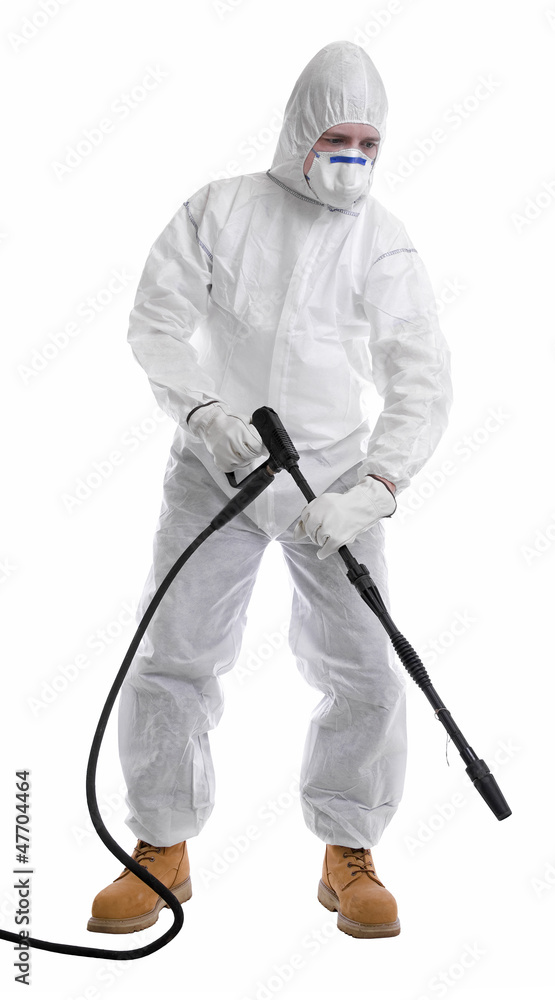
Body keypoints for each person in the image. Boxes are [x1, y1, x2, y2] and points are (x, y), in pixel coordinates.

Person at [87, 40, 452, 940]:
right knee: (175, 652)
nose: (354, 157)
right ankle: (160, 844)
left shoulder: (381, 237)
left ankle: (348, 852)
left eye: (370, 142)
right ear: (300, 130)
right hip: (218, 470)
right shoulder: (220, 209)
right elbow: (156, 322)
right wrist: (204, 411)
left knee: (367, 669)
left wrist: (376, 483)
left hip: (332, 484)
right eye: (340, 136)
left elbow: (420, 373)